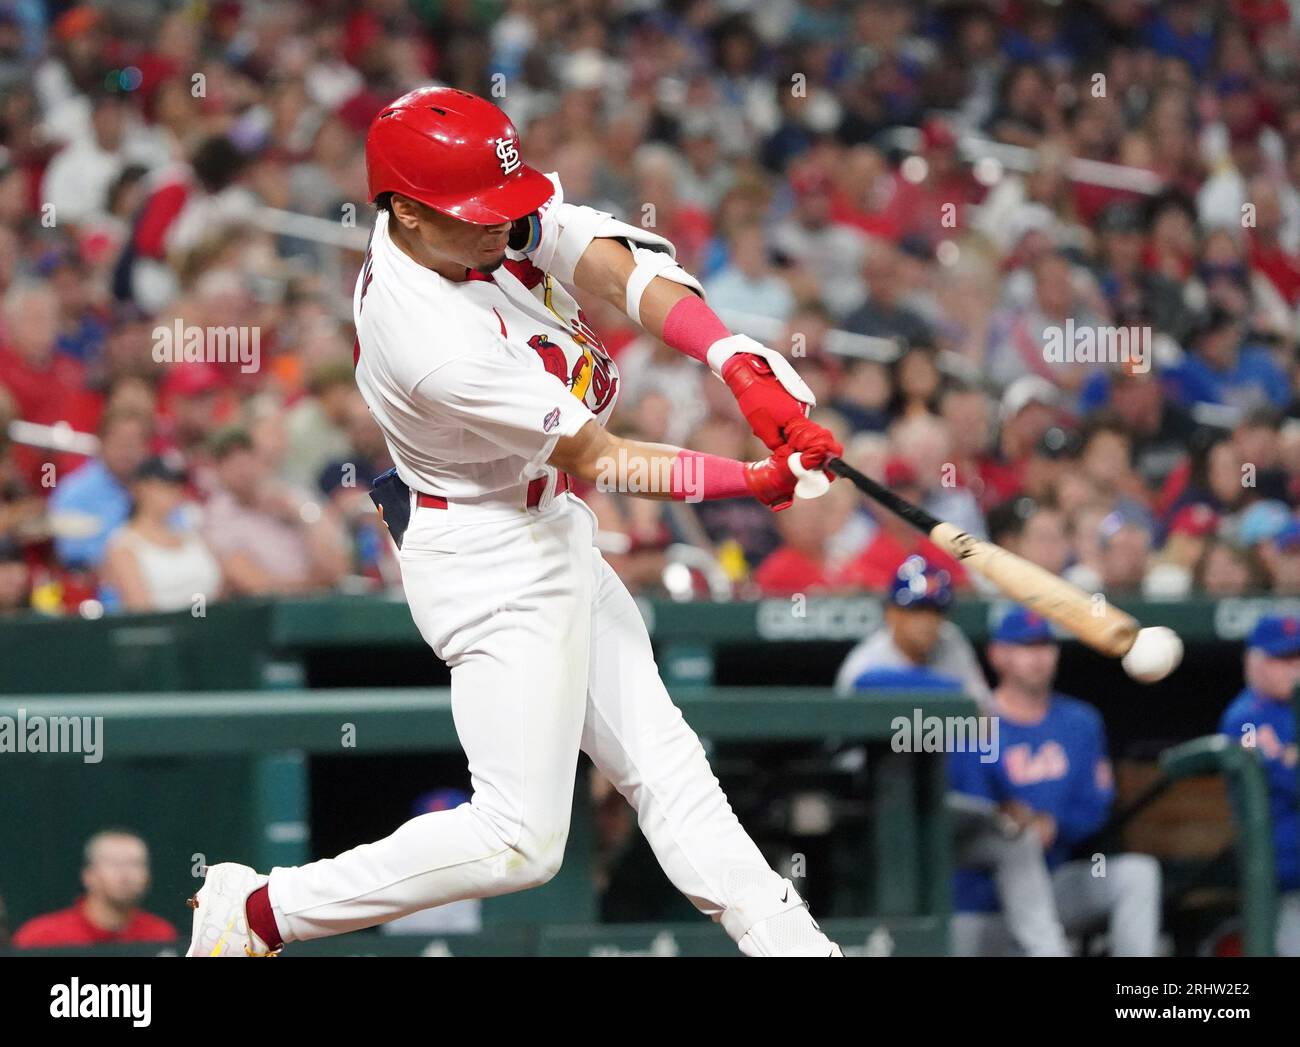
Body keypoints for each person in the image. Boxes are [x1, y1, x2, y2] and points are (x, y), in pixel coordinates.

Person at [187, 87, 846, 958]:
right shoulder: (426, 336)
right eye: (476, 216)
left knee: (668, 765)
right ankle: (261, 911)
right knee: (520, 840)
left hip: (546, 522)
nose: (502, 226)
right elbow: (600, 457)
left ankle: (796, 948)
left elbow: (605, 259)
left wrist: (733, 359)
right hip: (486, 555)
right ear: (406, 214)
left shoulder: (470, 221)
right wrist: (752, 477)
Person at [949, 607, 1162, 956]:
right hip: (981, 900)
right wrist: (1015, 824)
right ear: (998, 655)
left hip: (1055, 883)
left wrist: (1053, 824)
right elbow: (968, 812)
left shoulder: (1080, 721)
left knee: (1137, 873)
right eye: (1025, 646)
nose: (1039, 657)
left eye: (1045, 645)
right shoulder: (971, 722)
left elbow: (1095, 805)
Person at [1219, 615, 1300, 955]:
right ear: (1253, 662)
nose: (1294, 669)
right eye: (1281, 659)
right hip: (1280, 869)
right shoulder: (1246, 718)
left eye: (1297, 658)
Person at [834, 556, 991, 706]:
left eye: (935, 611)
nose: (927, 621)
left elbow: (984, 712)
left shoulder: (951, 641)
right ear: (892, 614)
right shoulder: (866, 661)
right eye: (916, 610)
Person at [11, 829, 177, 948]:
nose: (126, 874)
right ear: (88, 875)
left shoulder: (161, 936)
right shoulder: (41, 937)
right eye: (114, 863)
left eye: (135, 864)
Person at [101, 453, 221, 612]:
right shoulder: (123, 545)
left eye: (177, 485)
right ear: (140, 489)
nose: (174, 492)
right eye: (164, 485)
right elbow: (141, 610)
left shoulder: (192, 535)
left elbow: (220, 589)